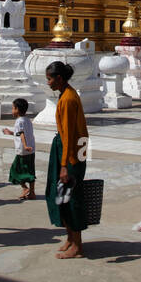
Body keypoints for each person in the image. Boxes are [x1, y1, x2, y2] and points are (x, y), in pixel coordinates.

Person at [45, 61, 88, 259]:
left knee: (71, 198)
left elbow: (70, 135)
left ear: (59, 78)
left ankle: (77, 245)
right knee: (61, 196)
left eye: (50, 79)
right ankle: (70, 237)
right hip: (68, 150)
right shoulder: (65, 95)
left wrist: (65, 165)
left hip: (70, 154)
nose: (48, 83)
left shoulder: (69, 99)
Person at [3, 98, 37, 200]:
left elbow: (22, 134)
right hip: (31, 150)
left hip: (22, 151)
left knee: (15, 171)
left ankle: (25, 188)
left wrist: (25, 146)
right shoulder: (27, 120)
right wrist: (11, 133)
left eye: (13, 108)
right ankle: (32, 192)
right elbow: (22, 133)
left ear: (17, 109)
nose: (12, 111)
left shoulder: (18, 121)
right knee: (30, 171)